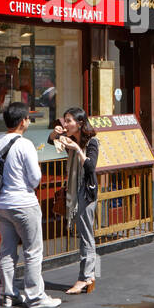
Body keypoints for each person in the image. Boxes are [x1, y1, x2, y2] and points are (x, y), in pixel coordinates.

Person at [0, 103, 61, 308]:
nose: (29, 121)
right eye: (28, 118)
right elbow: (35, 179)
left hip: (0, 204)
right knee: (33, 250)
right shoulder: (25, 144)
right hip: (23, 203)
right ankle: (35, 296)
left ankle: (9, 295)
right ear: (23, 122)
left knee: (7, 250)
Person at [49, 107, 100, 295]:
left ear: (79, 123)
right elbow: (51, 140)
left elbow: (90, 166)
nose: (65, 124)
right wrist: (56, 133)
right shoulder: (68, 139)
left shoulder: (92, 142)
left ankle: (85, 278)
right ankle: (89, 275)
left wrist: (77, 149)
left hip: (86, 192)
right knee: (84, 234)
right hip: (75, 189)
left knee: (86, 235)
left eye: (69, 121)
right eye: (64, 120)